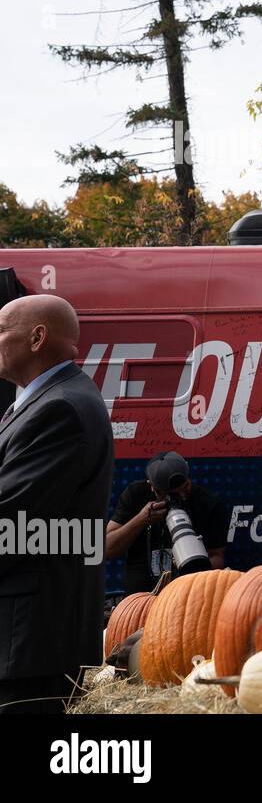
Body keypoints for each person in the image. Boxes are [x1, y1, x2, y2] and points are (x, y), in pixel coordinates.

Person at [0, 295, 112, 714]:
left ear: (37, 338)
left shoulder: (59, 408)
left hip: (30, 644)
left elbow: (10, 523)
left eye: (1, 329)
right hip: (29, 640)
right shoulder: (44, 401)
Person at [106, 451, 227, 594]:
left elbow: (217, 556)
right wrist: (140, 520)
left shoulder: (208, 503)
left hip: (188, 594)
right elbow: (107, 548)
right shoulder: (136, 494)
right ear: (152, 486)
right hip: (141, 599)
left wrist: (195, 566)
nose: (181, 497)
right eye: (170, 495)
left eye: (185, 488)